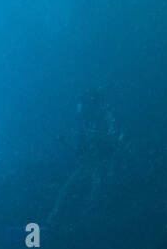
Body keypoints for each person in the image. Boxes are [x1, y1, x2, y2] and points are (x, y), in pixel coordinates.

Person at [46, 91, 122, 229]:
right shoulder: (90, 122)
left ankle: (89, 222)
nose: (80, 110)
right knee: (67, 190)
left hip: (100, 164)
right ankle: (54, 221)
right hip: (90, 164)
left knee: (94, 191)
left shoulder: (104, 120)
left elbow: (108, 143)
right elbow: (83, 149)